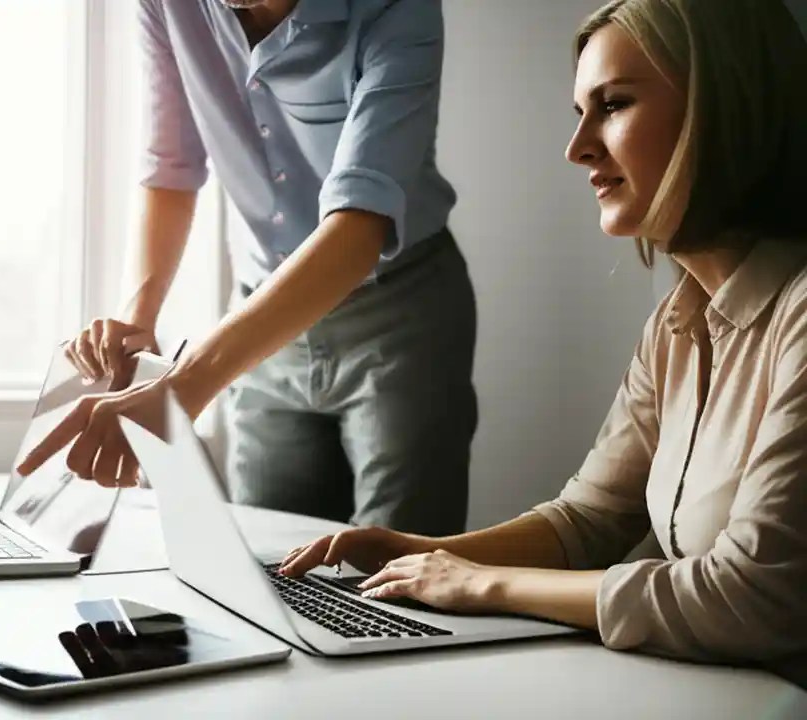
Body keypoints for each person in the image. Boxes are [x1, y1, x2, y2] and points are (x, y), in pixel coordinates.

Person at [280, 0, 807, 671]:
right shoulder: (674, 327)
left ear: (724, 107)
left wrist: (485, 584)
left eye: (613, 105)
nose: (577, 147)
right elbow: (590, 519)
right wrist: (420, 552)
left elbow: (752, 598)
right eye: (581, 112)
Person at [21, 0, 477, 536]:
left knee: (401, 564)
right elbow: (169, 167)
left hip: (400, 318)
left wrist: (183, 389)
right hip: (259, 329)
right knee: (266, 558)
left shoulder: (397, 7)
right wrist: (136, 323)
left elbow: (360, 222)